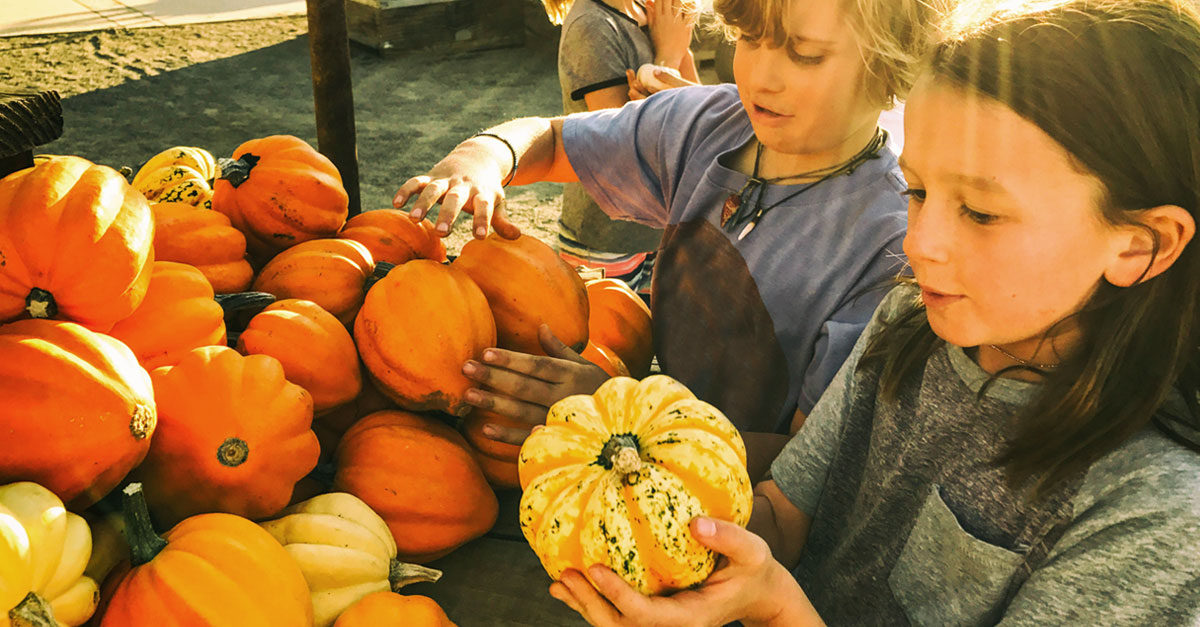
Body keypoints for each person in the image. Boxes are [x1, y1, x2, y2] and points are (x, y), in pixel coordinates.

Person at [546, 0, 1200, 624]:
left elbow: (777, 584)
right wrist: (656, 524)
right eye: (916, 190)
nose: (919, 243)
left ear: (1140, 245)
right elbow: (781, 516)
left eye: (979, 211)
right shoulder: (904, 326)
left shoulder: (1155, 512)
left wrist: (772, 605)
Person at [394, 0, 945, 477]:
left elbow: (805, 462)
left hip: (738, 519)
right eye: (750, 40)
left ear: (892, 62)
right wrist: (485, 157)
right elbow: (554, 139)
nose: (760, 77)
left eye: (804, 54)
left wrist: (620, 417)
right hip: (639, 442)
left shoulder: (890, 248)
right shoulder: (704, 125)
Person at [547, 0, 700, 293]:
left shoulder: (650, 10)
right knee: (609, 335)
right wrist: (667, 55)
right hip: (606, 240)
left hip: (659, 228)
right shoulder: (592, 24)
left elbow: (697, 114)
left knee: (654, 333)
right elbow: (616, 146)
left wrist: (680, 52)